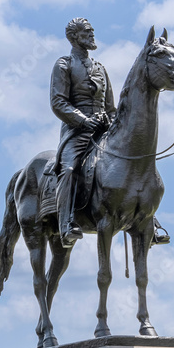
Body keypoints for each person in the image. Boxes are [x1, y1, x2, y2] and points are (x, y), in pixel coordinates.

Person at [50, 17, 115, 247]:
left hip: (103, 131)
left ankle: (147, 219)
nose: (92, 33)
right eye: (87, 31)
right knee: (68, 169)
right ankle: (66, 223)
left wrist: (109, 120)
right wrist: (83, 121)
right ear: (75, 36)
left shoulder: (101, 68)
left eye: (91, 30)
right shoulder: (64, 65)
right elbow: (58, 102)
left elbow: (111, 108)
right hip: (76, 131)